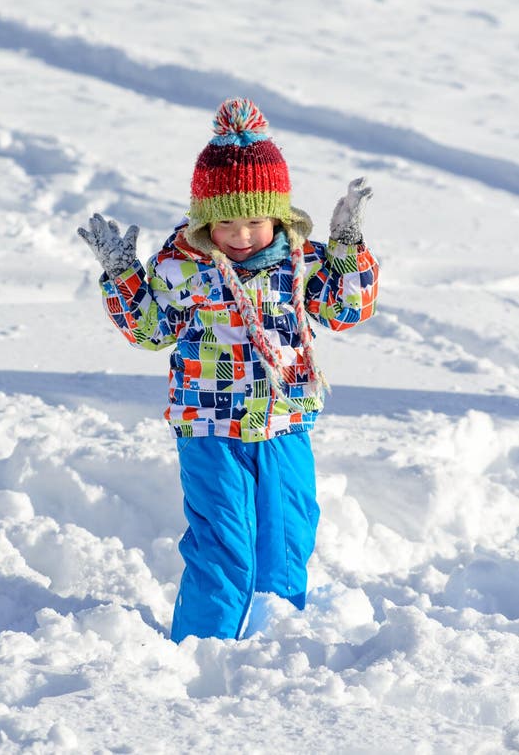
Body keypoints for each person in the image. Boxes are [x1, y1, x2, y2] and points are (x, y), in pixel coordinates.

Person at [78, 97, 379, 643]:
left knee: (287, 540)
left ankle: (275, 648)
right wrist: (123, 275)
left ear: (279, 217)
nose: (241, 235)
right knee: (224, 546)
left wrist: (346, 247)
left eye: (256, 221)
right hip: (210, 426)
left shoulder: (301, 262)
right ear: (204, 221)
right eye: (226, 222)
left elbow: (345, 309)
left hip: (286, 422)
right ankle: (201, 648)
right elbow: (150, 330)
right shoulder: (181, 268)